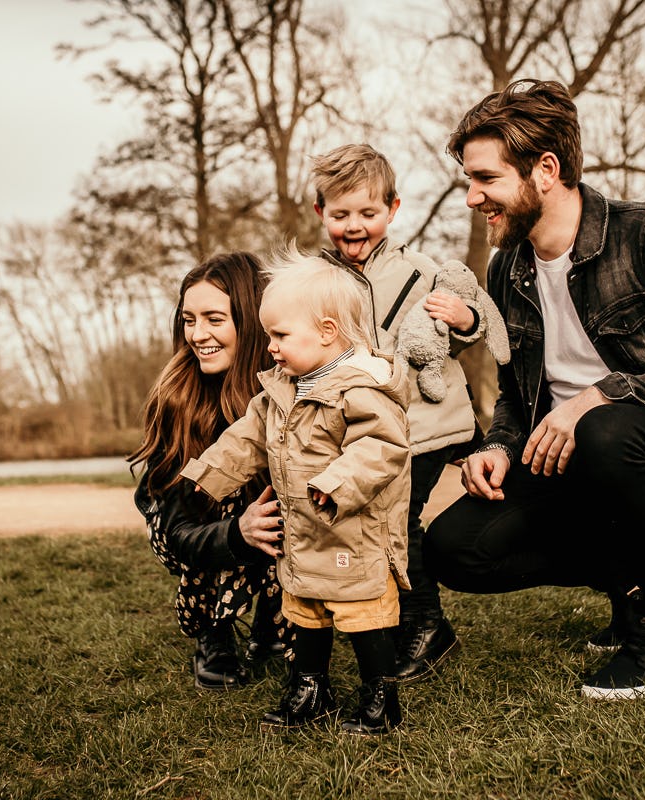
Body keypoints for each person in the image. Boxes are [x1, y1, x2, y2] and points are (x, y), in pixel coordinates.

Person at [425, 79, 645, 700]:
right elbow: (515, 393)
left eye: (485, 179)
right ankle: (631, 587)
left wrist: (601, 393)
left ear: (545, 170)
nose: (472, 196)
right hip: (576, 466)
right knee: (454, 547)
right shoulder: (508, 268)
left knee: (604, 427)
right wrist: (500, 446)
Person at [180, 249, 412, 735]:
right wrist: (206, 475)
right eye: (269, 335)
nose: (270, 347)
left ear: (327, 332)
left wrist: (336, 484)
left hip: (353, 535)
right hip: (304, 535)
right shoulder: (283, 389)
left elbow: (383, 446)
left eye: (280, 335)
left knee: (363, 612)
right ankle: (311, 688)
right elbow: (246, 438)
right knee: (304, 610)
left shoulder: (361, 389)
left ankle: (379, 695)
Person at [310, 143, 494, 682]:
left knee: (399, 519)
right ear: (322, 213)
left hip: (426, 424)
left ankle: (426, 624)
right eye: (340, 214)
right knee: (374, 522)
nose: (354, 226)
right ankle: (395, 619)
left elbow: (474, 328)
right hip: (366, 432)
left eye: (367, 213)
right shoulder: (318, 283)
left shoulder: (419, 271)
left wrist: (463, 319)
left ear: (391, 210)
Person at [129, 252, 289, 691]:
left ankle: (273, 624)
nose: (198, 335)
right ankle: (213, 636)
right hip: (185, 530)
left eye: (214, 319)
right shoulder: (178, 397)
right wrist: (239, 534)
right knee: (229, 493)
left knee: (293, 494)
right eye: (189, 320)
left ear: (250, 320)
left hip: (262, 525)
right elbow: (179, 528)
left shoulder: (289, 385)